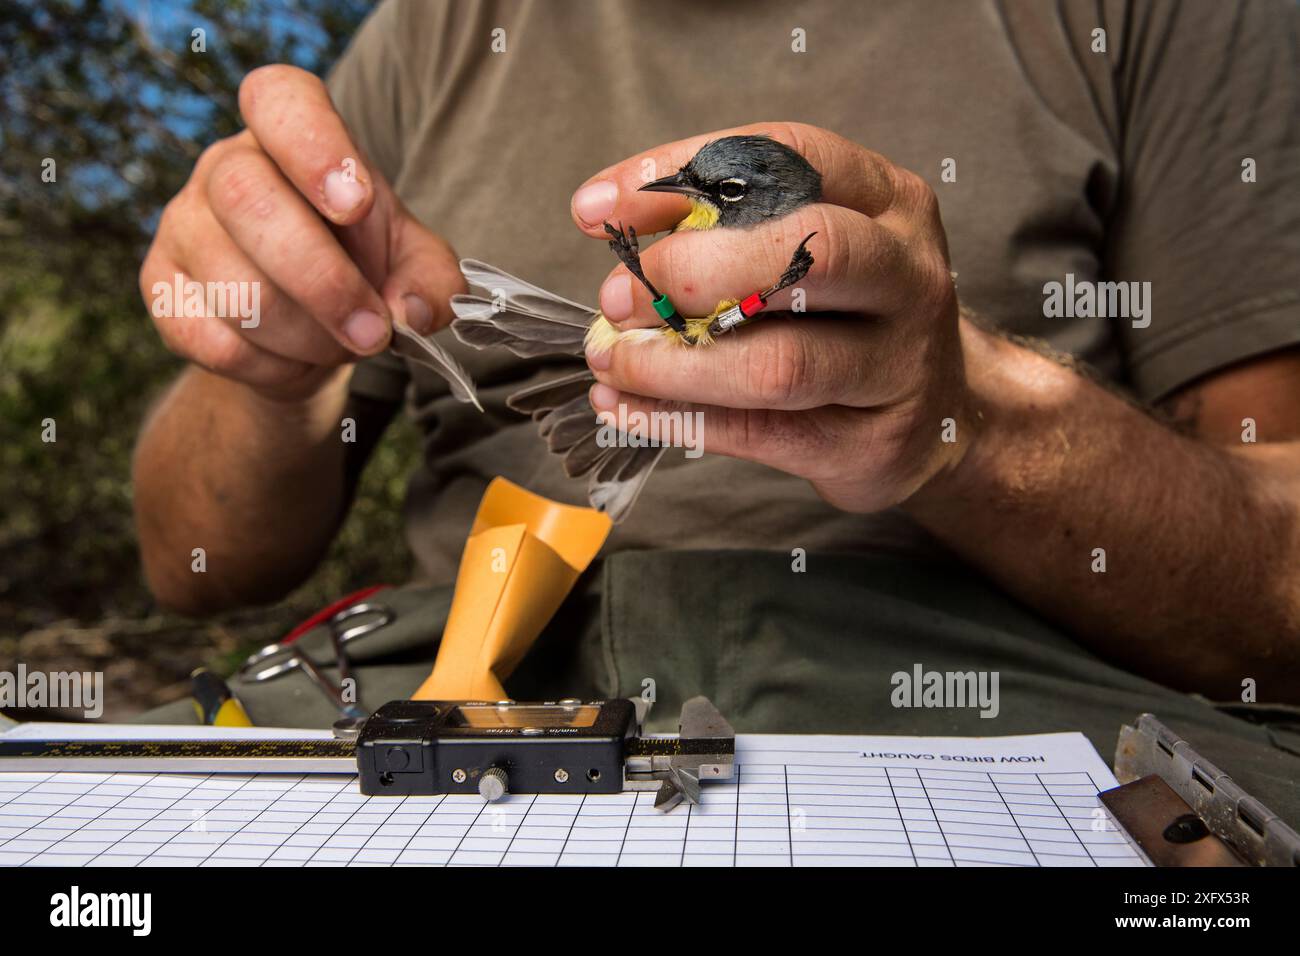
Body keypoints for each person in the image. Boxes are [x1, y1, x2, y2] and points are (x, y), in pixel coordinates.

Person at [131, 1, 1300, 819]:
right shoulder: (427, 32)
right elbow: (193, 563)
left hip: (987, 702)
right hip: (468, 674)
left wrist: (967, 422)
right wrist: (267, 357)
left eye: (715, 198)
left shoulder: (1158, 18)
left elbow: (1279, 604)